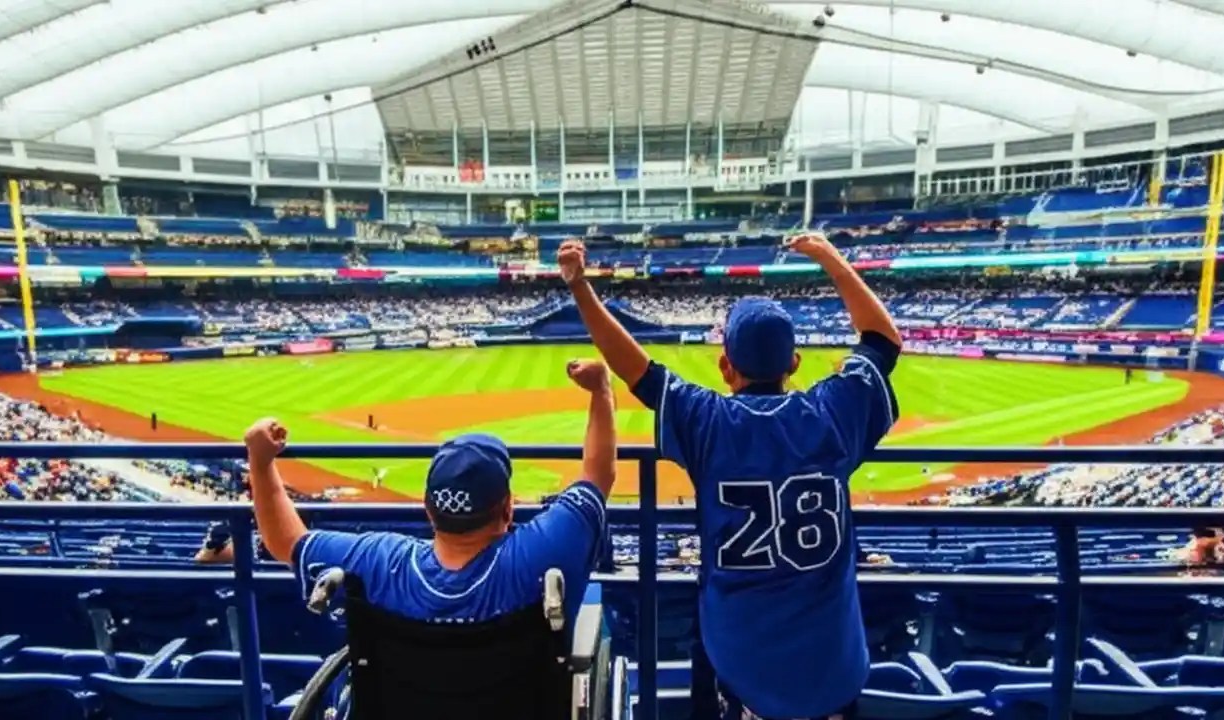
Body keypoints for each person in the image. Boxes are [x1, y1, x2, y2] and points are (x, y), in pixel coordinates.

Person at [557, 234, 902, 720]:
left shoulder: (710, 422)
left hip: (739, 671)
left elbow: (638, 372)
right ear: (794, 364)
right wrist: (827, 256)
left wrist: (579, 287)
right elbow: (884, 341)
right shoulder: (832, 414)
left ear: (725, 366)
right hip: (833, 671)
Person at [242, 359, 616, 630]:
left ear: (428, 509)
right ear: (507, 507)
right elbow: (597, 476)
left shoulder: (379, 560)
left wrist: (260, 463)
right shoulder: (544, 550)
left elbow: (286, 542)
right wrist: (601, 391)